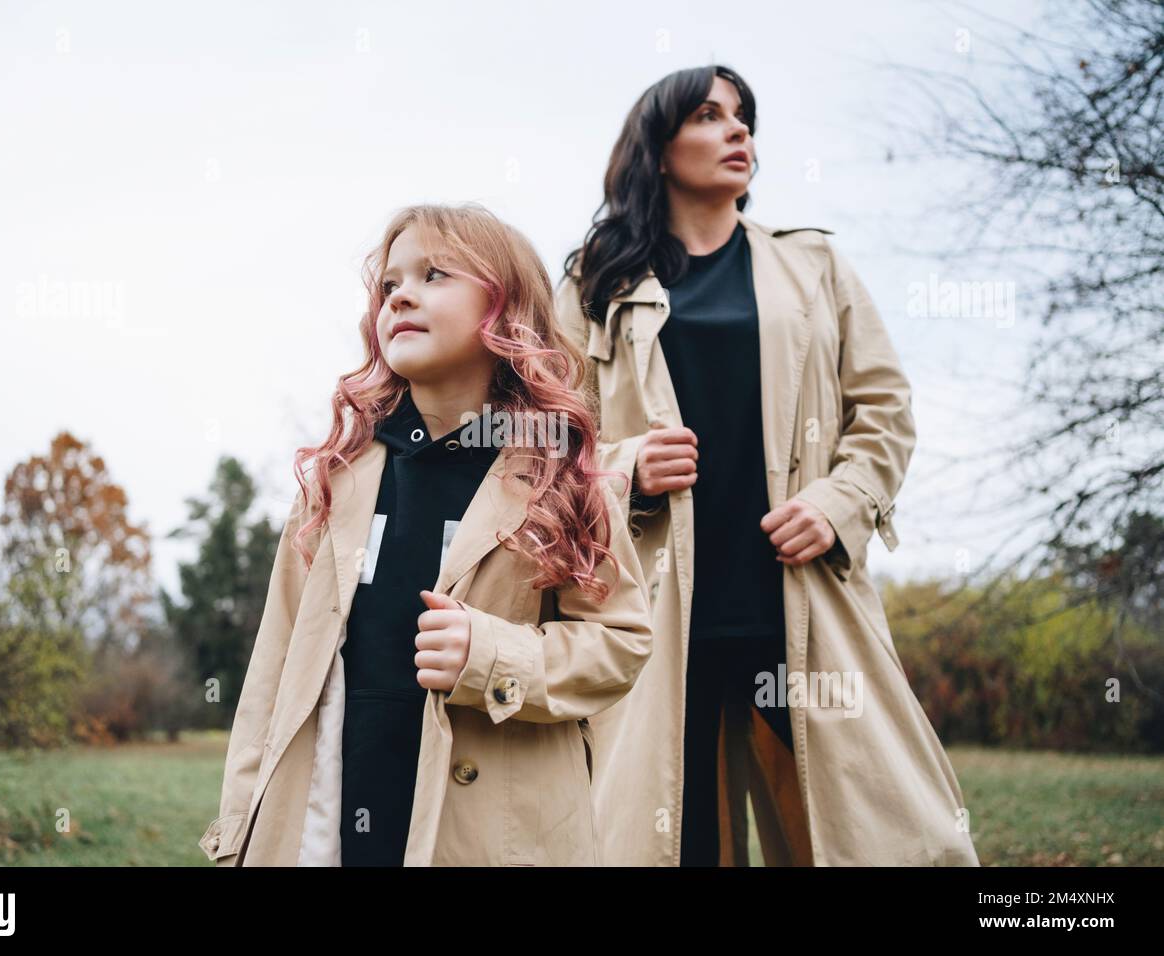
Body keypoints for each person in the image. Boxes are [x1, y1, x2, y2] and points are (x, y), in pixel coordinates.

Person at [557, 65, 980, 866]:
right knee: (658, 841)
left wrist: (838, 501)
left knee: (868, 836)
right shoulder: (593, 282)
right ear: (658, 144)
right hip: (648, 614)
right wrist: (626, 466)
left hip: (800, 602)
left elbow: (883, 409)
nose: (739, 130)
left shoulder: (814, 266)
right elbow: (545, 442)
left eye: (744, 116)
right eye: (711, 115)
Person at [200, 202, 653, 866]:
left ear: (508, 310)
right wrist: (239, 830)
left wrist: (492, 655)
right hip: (339, 826)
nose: (401, 295)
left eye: (435, 274)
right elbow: (272, 676)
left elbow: (621, 641)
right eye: (389, 285)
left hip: (496, 840)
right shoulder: (334, 482)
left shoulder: (563, 480)